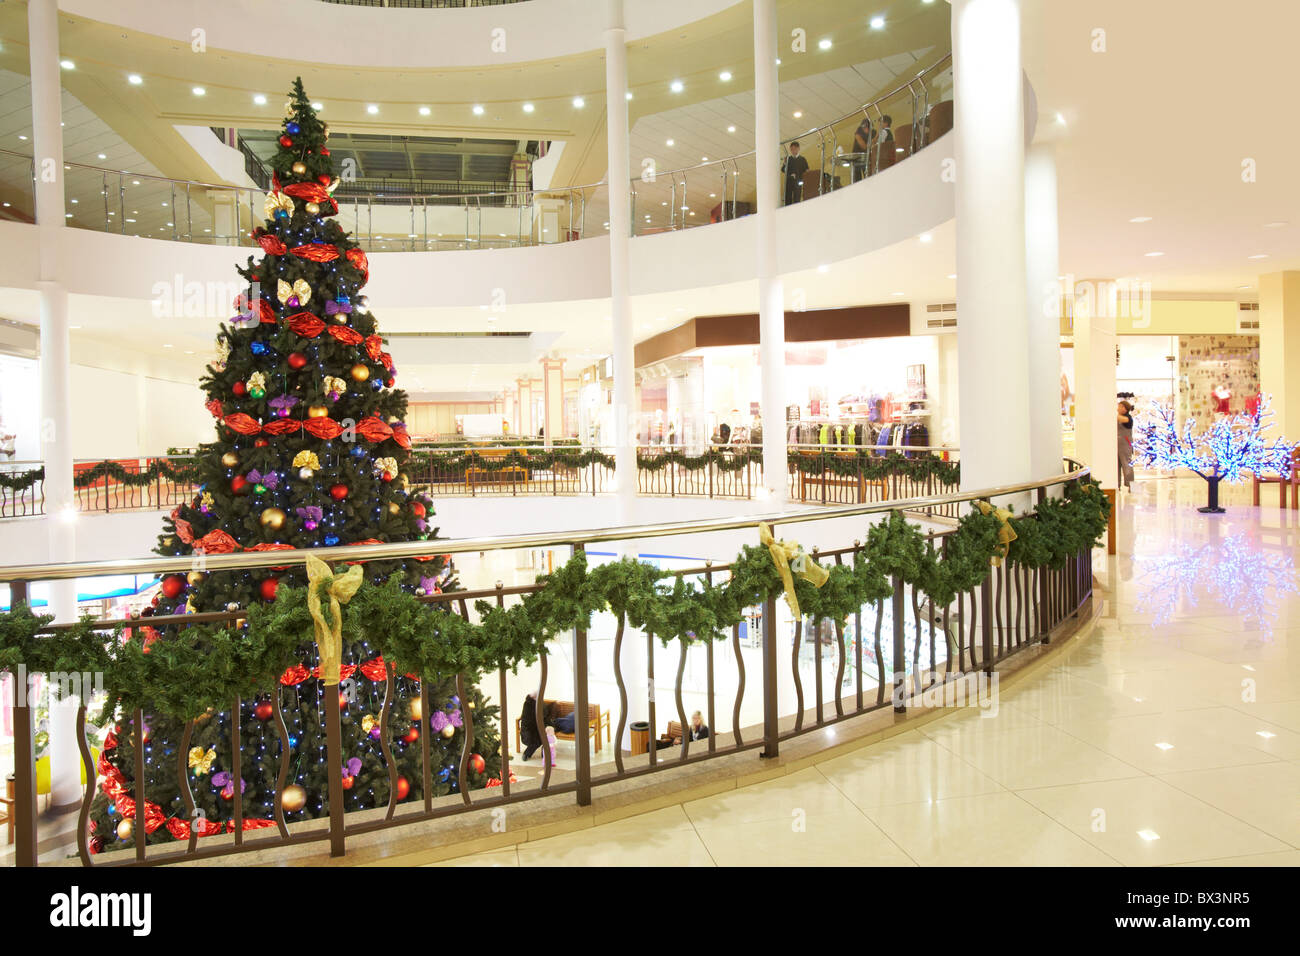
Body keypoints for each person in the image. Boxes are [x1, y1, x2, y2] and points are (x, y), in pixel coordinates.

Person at [782, 141, 809, 205]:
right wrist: (785, 164)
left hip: (798, 181)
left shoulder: (802, 159)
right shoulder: (788, 159)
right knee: (788, 198)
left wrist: (803, 179)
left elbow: (807, 170)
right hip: (789, 182)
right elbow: (783, 170)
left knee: (797, 198)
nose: (793, 151)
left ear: (798, 149)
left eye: (794, 149)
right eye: (791, 149)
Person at [518, 693, 543, 761]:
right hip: (527, 728)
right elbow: (526, 719)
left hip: (537, 727)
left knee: (540, 739)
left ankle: (526, 754)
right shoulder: (528, 705)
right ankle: (526, 754)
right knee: (533, 741)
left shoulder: (540, 704)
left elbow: (543, 716)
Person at [1117, 400, 1135, 490]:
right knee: (1116, 466)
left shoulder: (1128, 418)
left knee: (1127, 464)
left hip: (1125, 445)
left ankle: (1131, 485)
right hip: (1117, 445)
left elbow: (1120, 419)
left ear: (1125, 408)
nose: (1118, 408)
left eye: (1120, 406)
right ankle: (1117, 485)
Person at [851, 114, 874, 181]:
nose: (866, 129)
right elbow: (864, 146)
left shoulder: (872, 132)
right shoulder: (859, 132)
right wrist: (875, 139)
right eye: (864, 127)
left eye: (867, 127)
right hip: (857, 157)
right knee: (857, 178)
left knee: (868, 176)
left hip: (865, 157)